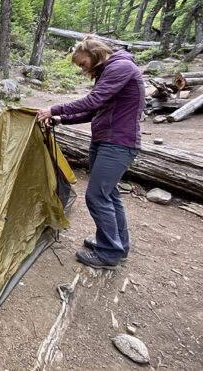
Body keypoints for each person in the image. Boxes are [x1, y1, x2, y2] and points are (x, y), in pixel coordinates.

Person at [37, 35, 145, 270]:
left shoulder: (121, 67)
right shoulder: (109, 71)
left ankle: (109, 254)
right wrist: (60, 118)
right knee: (110, 195)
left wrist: (55, 108)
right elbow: (93, 111)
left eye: (83, 64)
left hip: (118, 143)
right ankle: (118, 246)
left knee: (96, 196)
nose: (84, 70)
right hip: (105, 141)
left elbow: (93, 100)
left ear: (94, 54)